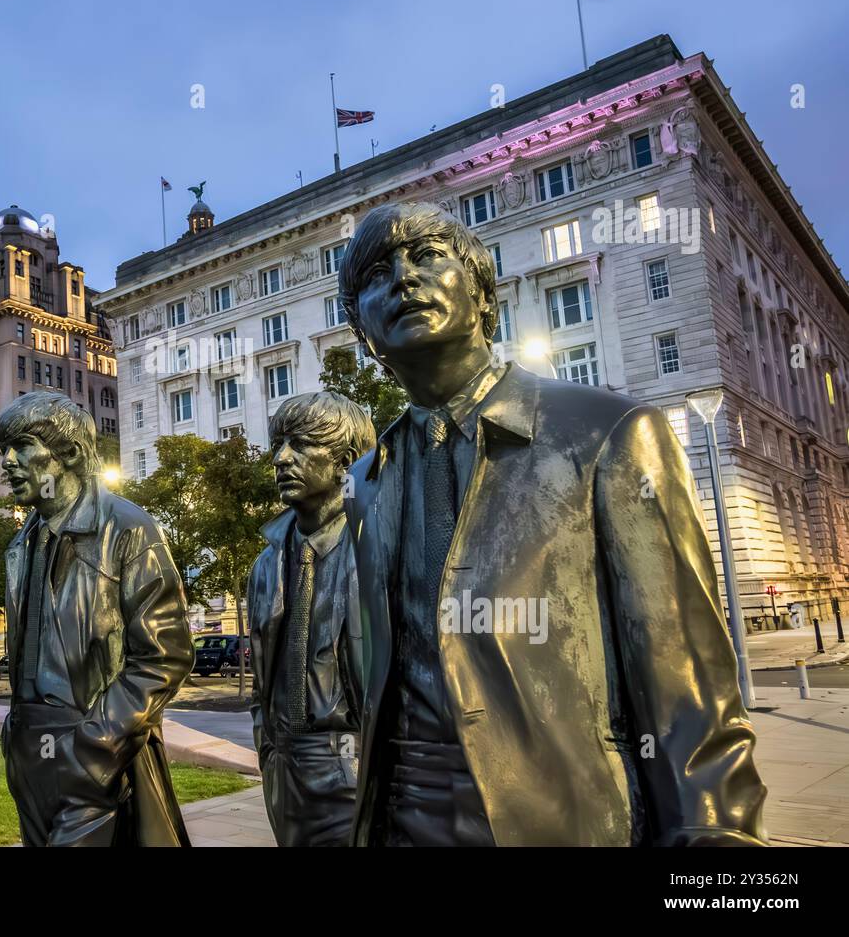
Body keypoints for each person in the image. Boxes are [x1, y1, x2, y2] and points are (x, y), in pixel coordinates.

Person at [337, 200, 767, 846]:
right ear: (365, 335)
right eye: (376, 272)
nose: (402, 277)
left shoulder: (607, 433)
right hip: (402, 820)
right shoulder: (367, 481)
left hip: (562, 819)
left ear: (484, 296)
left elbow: (688, 689)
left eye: (426, 255)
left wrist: (713, 835)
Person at [0, 390, 193, 846]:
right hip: (30, 750)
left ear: (70, 453)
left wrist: (97, 741)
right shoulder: (23, 542)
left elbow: (165, 656)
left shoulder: (128, 528)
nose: (7, 461)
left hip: (94, 745)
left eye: (22, 446)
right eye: (4, 449)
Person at [248, 391, 375, 846]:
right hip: (286, 768)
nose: (280, 459)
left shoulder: (378, 549)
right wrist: (268, 750)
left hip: (356, 764)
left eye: (300, 445)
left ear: (344, 461)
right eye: (279, 444)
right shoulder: (266, 566)